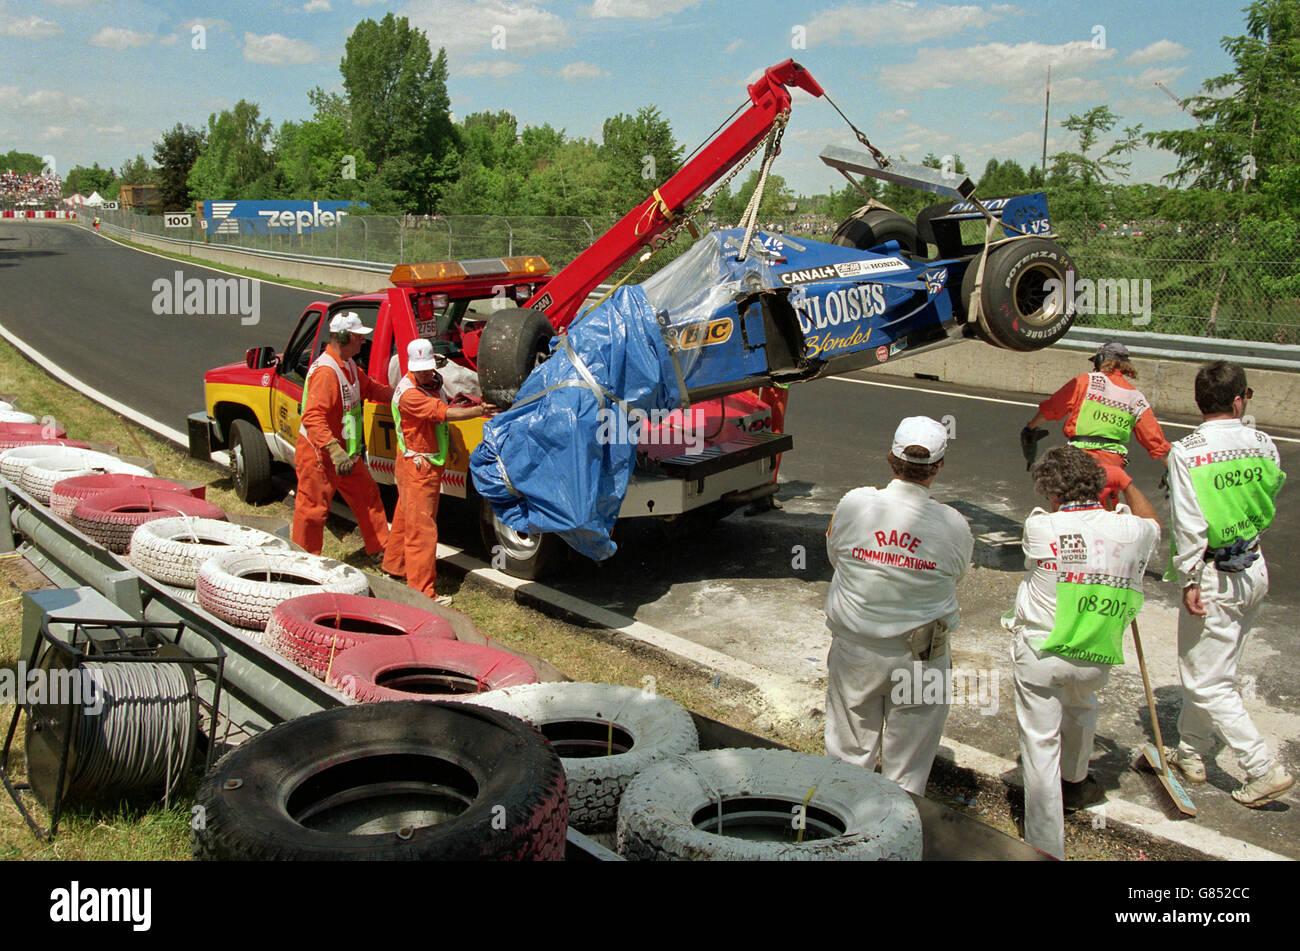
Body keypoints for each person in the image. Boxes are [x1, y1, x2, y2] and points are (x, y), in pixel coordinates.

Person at [1004, 445, 1160, 859]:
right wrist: (1123, 484)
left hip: (1043, 653)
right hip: (1097, 654)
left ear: (1051, 493)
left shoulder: (1041, 527)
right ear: (1099, 484)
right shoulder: (1135, 531)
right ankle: (1075, 783)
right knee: (1082, 709)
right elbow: (1150, 521)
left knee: (1039, 747)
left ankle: (1045, 845)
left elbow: (1063, 541)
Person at [823, 416, 974, 795]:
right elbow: (955, 576)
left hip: (855, 652)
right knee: (907, 774)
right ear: (938, 467)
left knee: (845, 757)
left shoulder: (854, 504)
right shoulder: (954, 525)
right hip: (922, 659)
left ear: (891, 456)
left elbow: (836, 556)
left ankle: (838, 836)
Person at [1167, 361, 1292, 807]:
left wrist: (1189, 578)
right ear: (1240, 399)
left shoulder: (1186, 451)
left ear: (1200, 400)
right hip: (1253, 565)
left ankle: (1261, 768)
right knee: (1217, 667)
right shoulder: (1263, 442)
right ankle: (1190, 751)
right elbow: (1270, 490)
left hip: (1215, 575)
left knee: (1207, 681)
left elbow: (1189, 525)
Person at [382, 339, 497, 604]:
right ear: (411, 367)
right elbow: (441, 413)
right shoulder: (410, 394)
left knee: (405, 517)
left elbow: (440, 418)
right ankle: (422, 592)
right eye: (420, 370)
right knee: (422, 529)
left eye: (428, 368)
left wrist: (454, 444)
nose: (426, 373)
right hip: (418, 465)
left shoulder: (431, 381)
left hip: (421, 463)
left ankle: (395, 566)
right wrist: (479, 410)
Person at [291, 312, 394, 558]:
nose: (362, 342)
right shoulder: (327, 372)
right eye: (359, 337)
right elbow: (313, 417)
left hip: (345, 455)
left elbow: (370, 388)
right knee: (313, 511)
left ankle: (380, 547)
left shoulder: (348, 366)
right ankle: (304, 562)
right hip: (321, 455)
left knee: (367, 496)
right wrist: (334, 450)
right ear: (344, 337)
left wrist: (401, 396)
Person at [1022, 342, 1171, 508]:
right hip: (1113, 462)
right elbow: (1154, 440)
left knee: (1065, 503)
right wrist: (1171, 468)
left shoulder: (1086, 381)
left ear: (1101, 360)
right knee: (1107, 514)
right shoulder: (1136, 398)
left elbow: (1053, 408)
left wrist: (1031, 427)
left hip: (1078, 459)